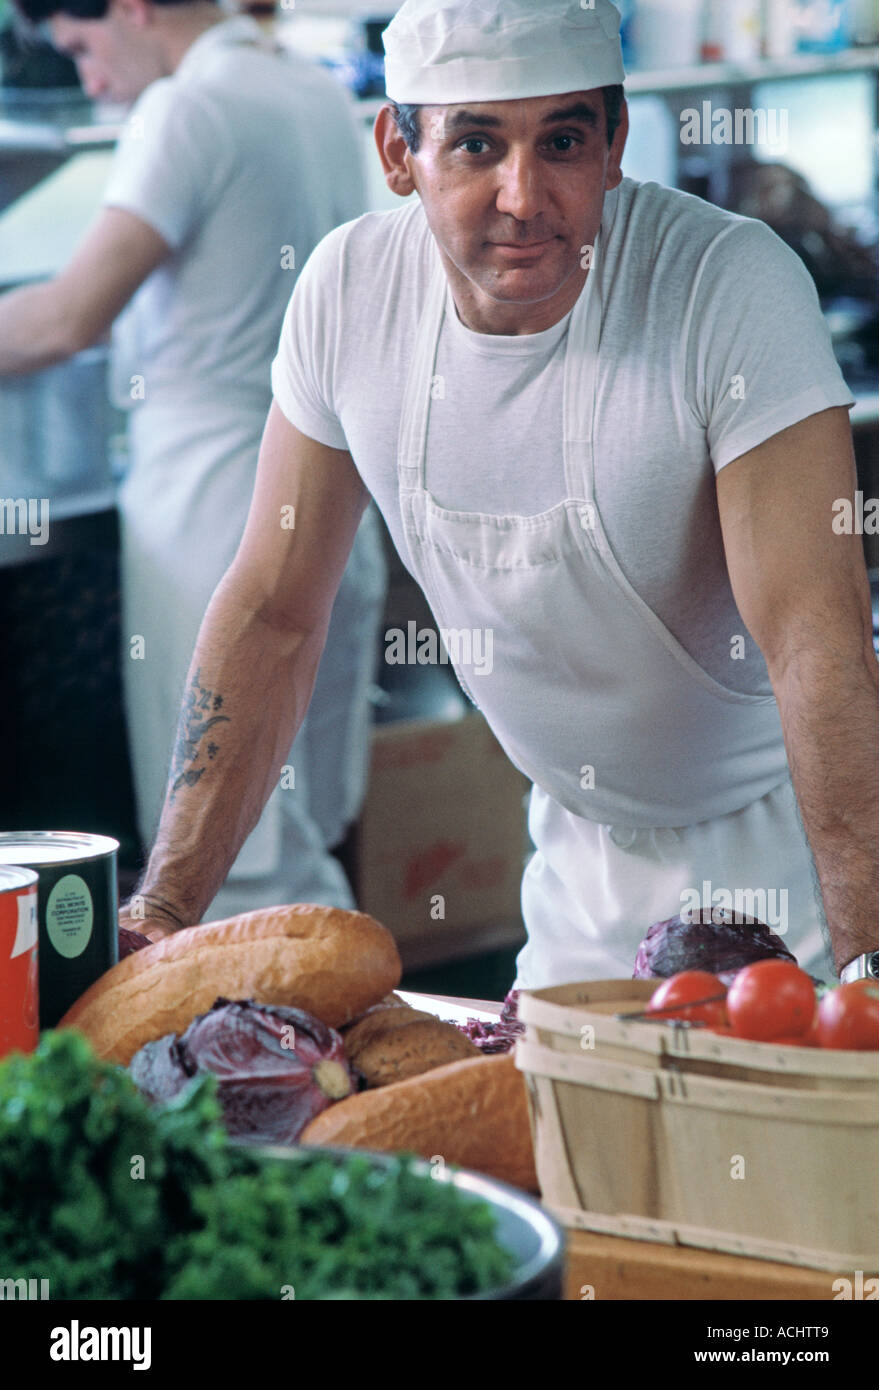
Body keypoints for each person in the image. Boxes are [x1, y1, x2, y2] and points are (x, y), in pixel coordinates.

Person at [119, 0, 874, 993]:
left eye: (561, 140)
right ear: (400, 151)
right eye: (476, 144)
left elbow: (815, 645)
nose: (523, 196)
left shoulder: (726, 287)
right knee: (560, 1148)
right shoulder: (349, 295)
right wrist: (163, 910)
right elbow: (273, 615)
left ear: (615, 145)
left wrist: (867, 973)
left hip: (793, 866)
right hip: (574, 868)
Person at [0, 0, 387, 916]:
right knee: (302, 828)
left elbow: (66, 317)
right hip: (335, 499)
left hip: (215, 512)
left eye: (85, 47)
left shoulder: (189, 107)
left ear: (132, 9)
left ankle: (263, 1051)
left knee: (226, 855)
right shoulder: (308, 89)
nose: (90, 79)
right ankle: (338, 1039)